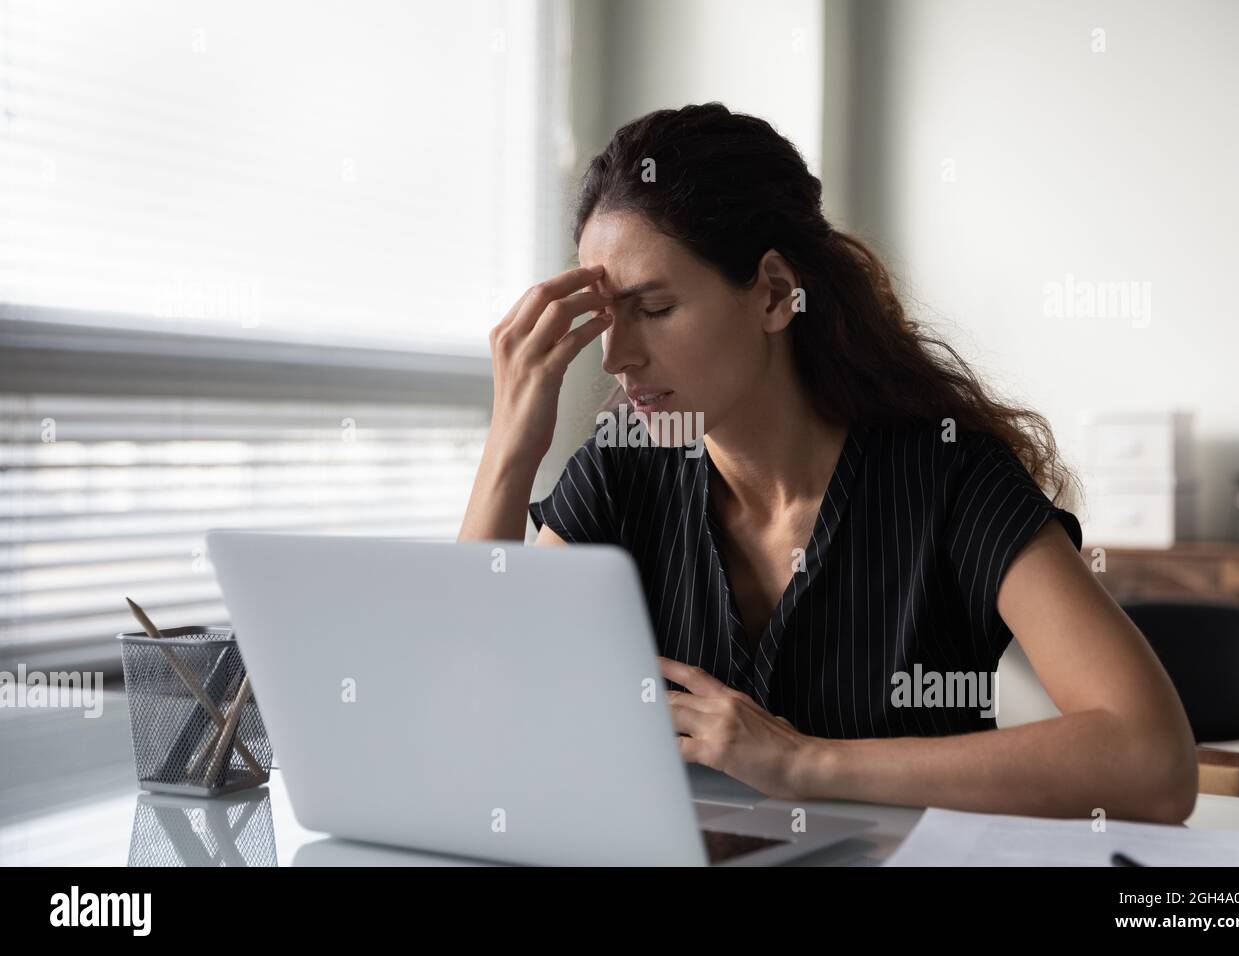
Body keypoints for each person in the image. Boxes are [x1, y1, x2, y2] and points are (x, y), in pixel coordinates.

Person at [459, 102, 1197, 823]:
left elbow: (1151, 761)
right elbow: (466, 715)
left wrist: (802, 763)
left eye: (653, 310)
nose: (616, 356)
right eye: (608, 317)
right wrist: (509, 451)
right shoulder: (622, 469)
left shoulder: (951, 476)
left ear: (775, 294)